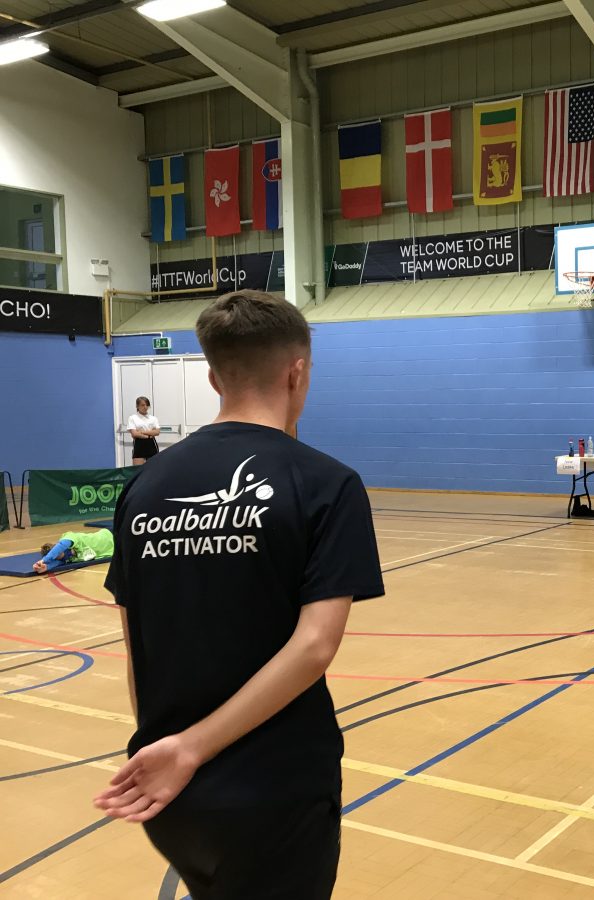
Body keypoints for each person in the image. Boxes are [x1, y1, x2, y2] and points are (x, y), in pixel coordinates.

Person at [94, 290, 384, 900]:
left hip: (171, 791)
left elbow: (136, 642)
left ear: (211, 374)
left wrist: (167, 751)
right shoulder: (326, 484)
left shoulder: (144, 487)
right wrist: (192, 750)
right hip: (273, 789)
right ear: (297, 372)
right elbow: (313, 647)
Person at [31, 528, 114, 573]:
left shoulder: (68, 537)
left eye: (55, 549)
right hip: (114, 549)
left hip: (111, 535)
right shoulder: (66, 560)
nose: (59, 555)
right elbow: (57, 563)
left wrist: (43, 560)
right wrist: (45, 567)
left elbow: (61, 546)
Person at [128, 396, 161, 465]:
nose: (145, 407)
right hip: (139, 444)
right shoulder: (132, 418)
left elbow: (157, 432)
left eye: (147, 405)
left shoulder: (153, 418)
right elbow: (134, 434)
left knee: (153, 468)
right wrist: (149, 436)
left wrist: (141, 432)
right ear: (137, 406)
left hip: (151, 444)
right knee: (137, 469)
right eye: (142, 405)